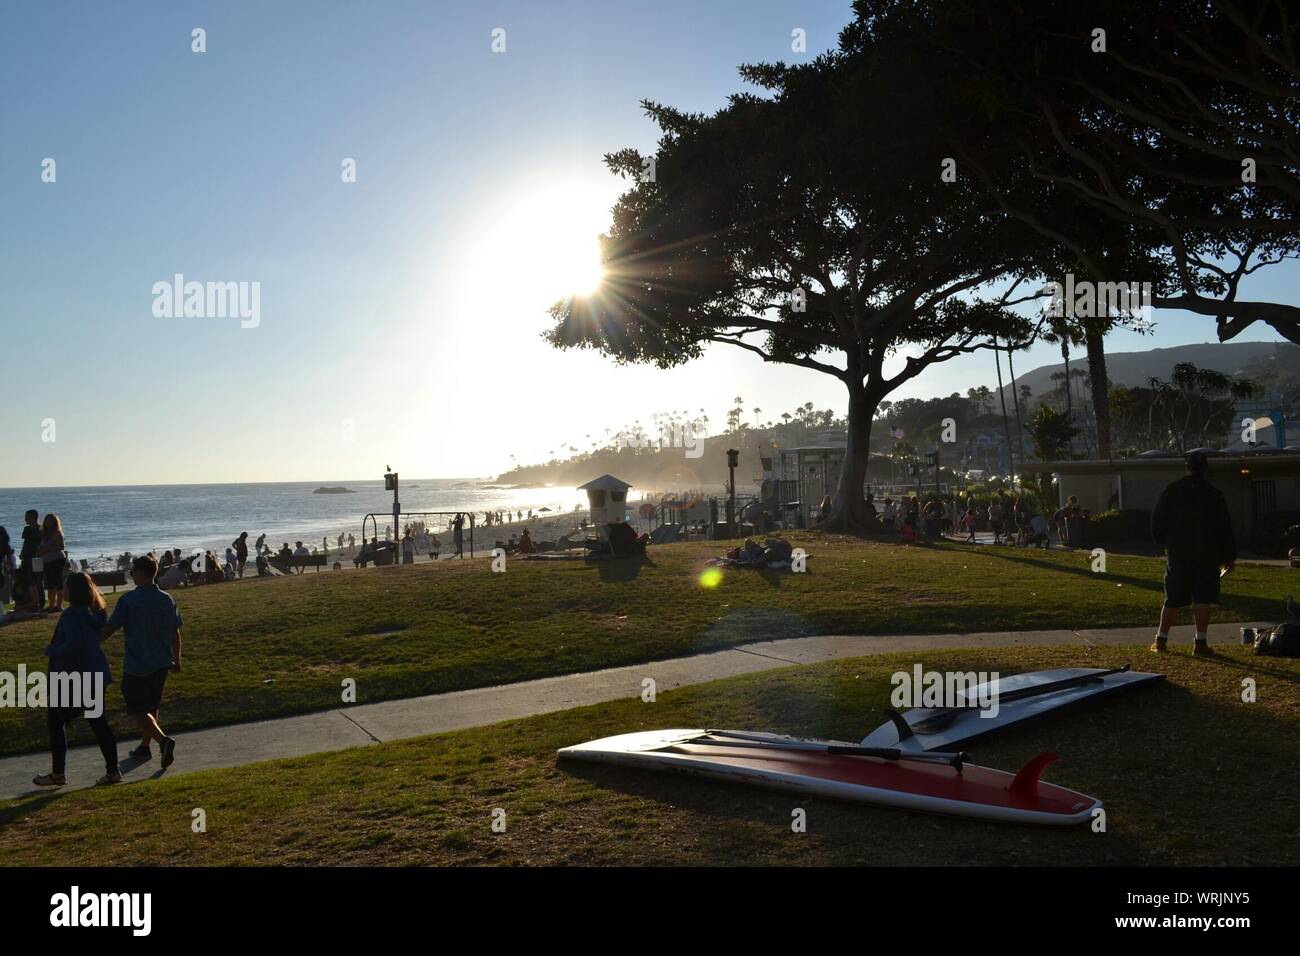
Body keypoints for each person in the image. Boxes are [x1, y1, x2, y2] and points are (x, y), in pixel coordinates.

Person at [32, 573, 121, 787]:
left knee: (55, 722)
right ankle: (113, 770)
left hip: (74, 676)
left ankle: (58, 773)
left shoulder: (71, 615)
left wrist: (53, 650)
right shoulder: (96, 613)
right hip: (95, 673)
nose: (62, 590)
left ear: (73, 591)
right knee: (99, 722)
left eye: (65, 586)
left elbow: (74, 643)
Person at [1150, 450, 1236, 656]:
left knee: (1172, 598)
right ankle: (1200, 642)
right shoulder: (1214, 494)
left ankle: (1161, 640)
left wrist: (1165, 544)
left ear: (1187, 467)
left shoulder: (1172, 490)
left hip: (1179, 552)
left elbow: (1157, 521)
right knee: (1203, 598)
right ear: (1205, 468)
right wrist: (1228, 556)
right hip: (1208, 554)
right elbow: (1224, 527)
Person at [101, 555, 181, 768]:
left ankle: (163, 741)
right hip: (161, 661)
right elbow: (175, 632)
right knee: (151, 705)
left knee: (137, 708)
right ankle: (145, 747)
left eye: (133, 571)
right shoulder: (167, 599)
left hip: (137, 663)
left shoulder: (129, 600)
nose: (131, 574)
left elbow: (111, 627)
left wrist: (92, 641)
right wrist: (177, 658)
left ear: (142, 573)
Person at [37, 514, 67, 612]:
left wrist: (47, 550)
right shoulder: (44, 533)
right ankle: (51, 605)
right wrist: (40, 551)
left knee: (58, 582)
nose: (48, 523)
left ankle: (59, 605)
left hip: (57, 559)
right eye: (47, 521)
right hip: (46, 560)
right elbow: (42, 546)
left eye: (50, 521)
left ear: (55, 522)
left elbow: (62, 546)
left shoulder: (57, 532)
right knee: (49, 583)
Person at [19, 509, 44, 612]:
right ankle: (30, 602)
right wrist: (22, 553)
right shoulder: (27, 529)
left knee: (38, 580)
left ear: (33, 518)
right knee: (27, 580)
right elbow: (25, 543)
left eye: (27, 517)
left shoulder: (41, 529)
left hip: (36, 558)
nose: (25, 519)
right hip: (27, 556)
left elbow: (42, 543)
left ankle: (40, 603)